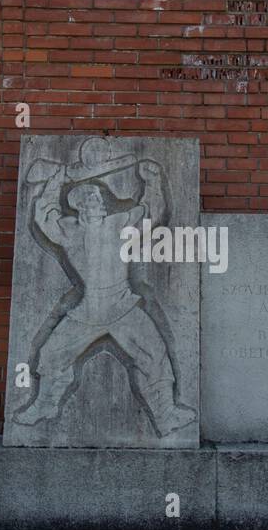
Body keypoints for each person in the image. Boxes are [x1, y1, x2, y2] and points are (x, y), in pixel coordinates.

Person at [11, 159, 195, 436]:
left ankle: (167, 415)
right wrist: (54, 183)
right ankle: (44, 405)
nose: (96, 203)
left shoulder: (119, 222)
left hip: (122, 305)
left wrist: (152, 180)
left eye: (98, 198)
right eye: (90, 199)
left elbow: (149, 212)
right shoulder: (69, 229)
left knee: (155, 354)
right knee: (51, 355)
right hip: (88, 309)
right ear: (80, 206)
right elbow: (44, 215)